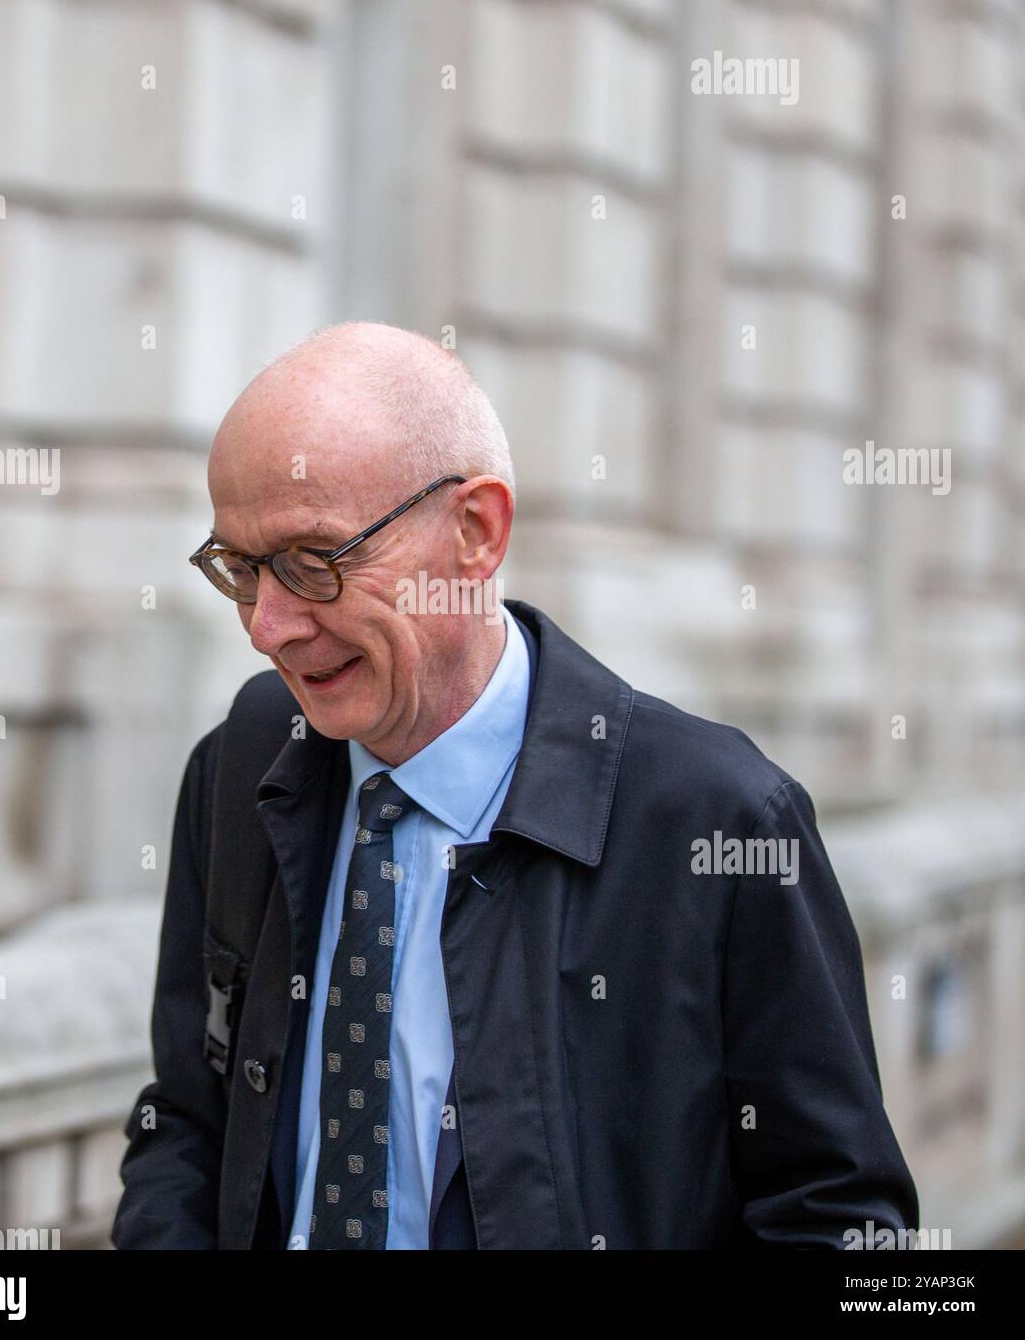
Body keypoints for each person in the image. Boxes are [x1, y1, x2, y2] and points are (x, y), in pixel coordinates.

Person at [111, 321, 918, 1250]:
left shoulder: (718, 821)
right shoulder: (246, 761)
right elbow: (187, 1119)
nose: (269, 627)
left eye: (313, 563)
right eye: (241, 572)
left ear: (475, 533)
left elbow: (841, 1221)